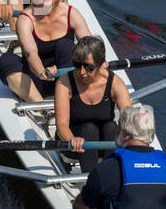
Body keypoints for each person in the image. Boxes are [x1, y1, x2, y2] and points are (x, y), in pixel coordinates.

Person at [0, 0, 90, 104]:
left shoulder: (71, 13)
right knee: (6, 60)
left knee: (67, 46)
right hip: (36, 81)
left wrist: (98, 62)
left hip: (67, 79)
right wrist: (43, 72)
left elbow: (89, 45)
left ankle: (73, 101)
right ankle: (43, 108)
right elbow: (31, 53)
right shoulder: (25, 19)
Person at [55, 35, 132, 172]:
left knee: (111, 127)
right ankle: (89, 179)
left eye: (88, 67)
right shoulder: (64, 82)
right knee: (89, 129)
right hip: (74, 145)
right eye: (77, 65)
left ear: (101, 64)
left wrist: (128, 135)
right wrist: (72, 140)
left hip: (104, 144)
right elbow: (61, 125)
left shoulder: (115, 83)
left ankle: (112, 174)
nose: (82, 72)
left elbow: (129, 119)